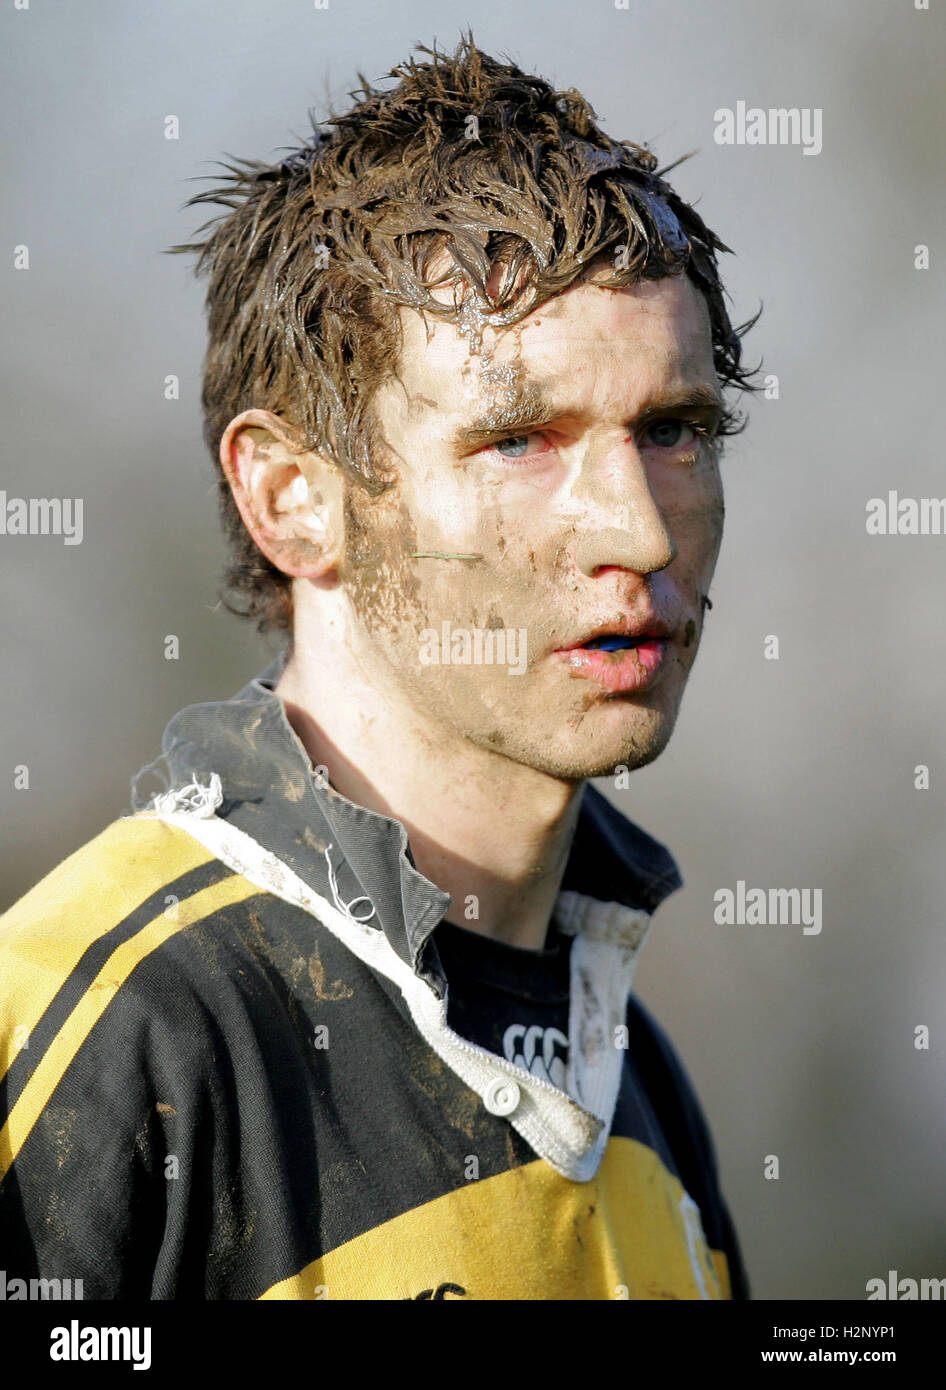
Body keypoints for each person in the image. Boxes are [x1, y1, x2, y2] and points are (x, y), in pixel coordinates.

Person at [0, 33, 758, 1300]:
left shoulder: (637, 1083)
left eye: (672, 430)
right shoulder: (98, 1026)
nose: (637, 531)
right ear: (293, 498)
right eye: (519, 441)